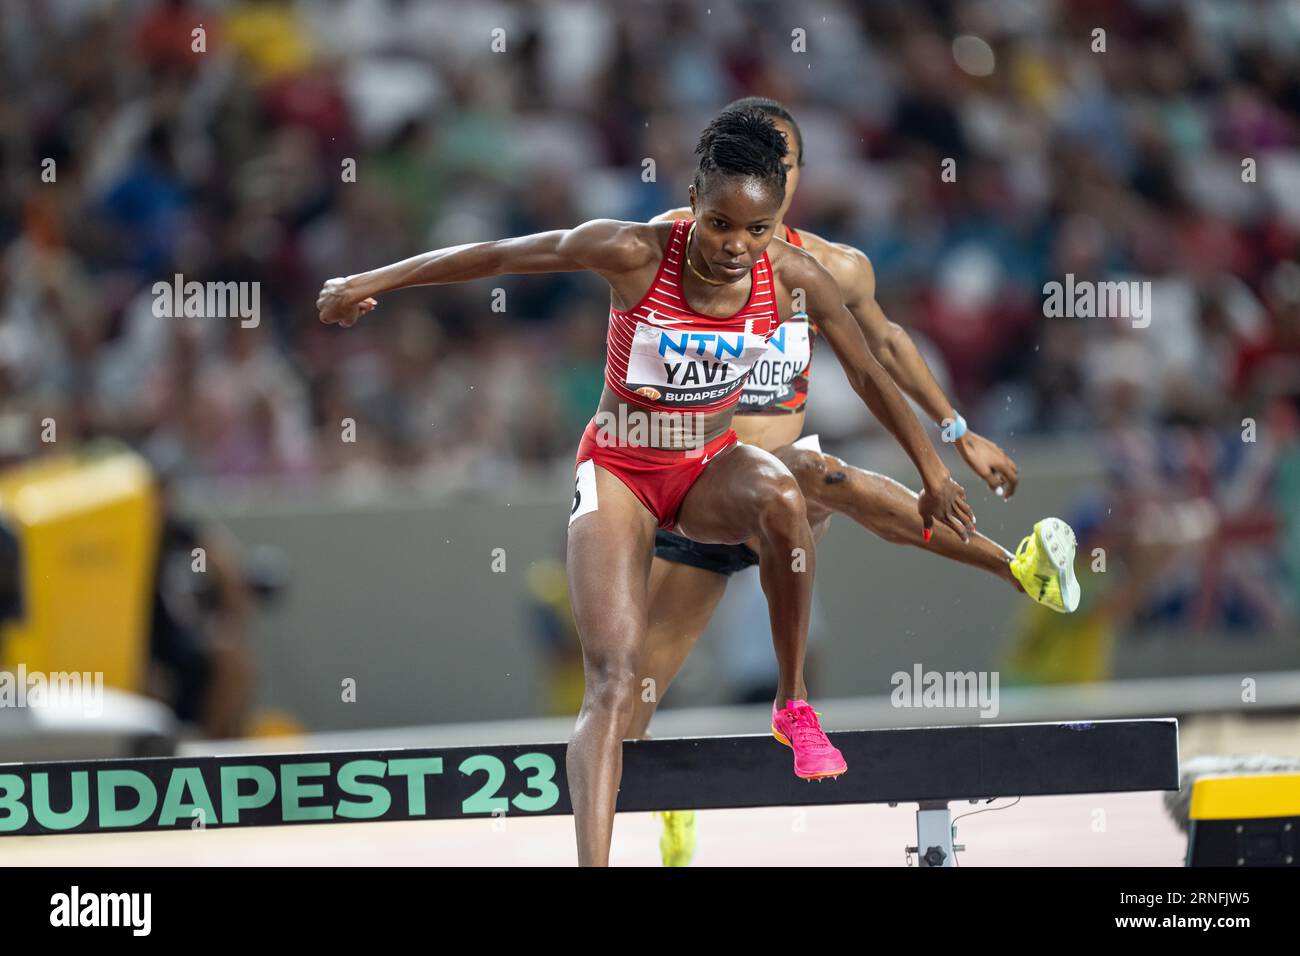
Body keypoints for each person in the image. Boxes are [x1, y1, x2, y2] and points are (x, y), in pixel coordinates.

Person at [317, 108, 974, 866]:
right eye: (721, 223)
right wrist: (371, 280)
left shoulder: (793, 275)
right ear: (693, 199)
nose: (736, 247)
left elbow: (866, 368)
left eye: (756, 231)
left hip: (707, 466)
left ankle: (792, 704)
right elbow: (496, 254)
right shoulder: (631, 251)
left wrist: (934, 468)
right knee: (615, 683)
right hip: (620, 469)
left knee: (788, 499)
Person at [640, 98, 1080, 866]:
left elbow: (887, 348)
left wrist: (956, 431)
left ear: (793, 177)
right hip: (698, 498)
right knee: (634, 693)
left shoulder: (832, 269)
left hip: (784, 491)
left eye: (779, 165)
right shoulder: (693, 251)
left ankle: (1022, 571)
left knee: (816, 472)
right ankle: (666, 812)